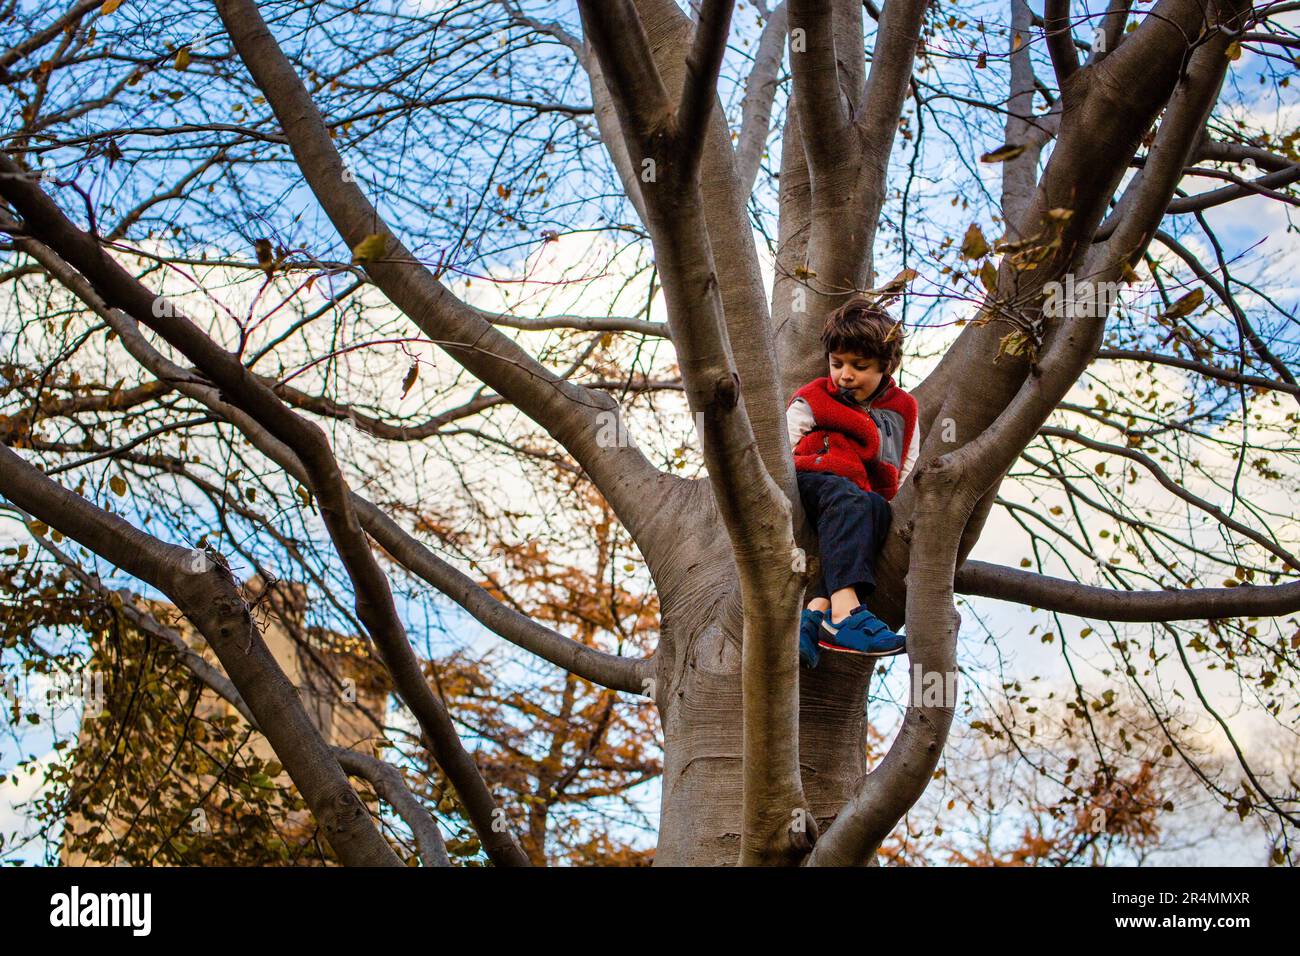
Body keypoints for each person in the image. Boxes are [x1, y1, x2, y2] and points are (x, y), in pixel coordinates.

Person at [787, 298, 919, 667]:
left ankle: (813, 617)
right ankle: (846, 614)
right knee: (850, 499)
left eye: (859, 366)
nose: (845, 374)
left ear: (887, 366)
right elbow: (783, 442)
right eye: (837, 363)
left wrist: (897, 504)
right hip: (811, 477)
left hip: (859, 496)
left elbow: (906, 460)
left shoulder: (903, 408)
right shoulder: (815, 396)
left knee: (874, 508)